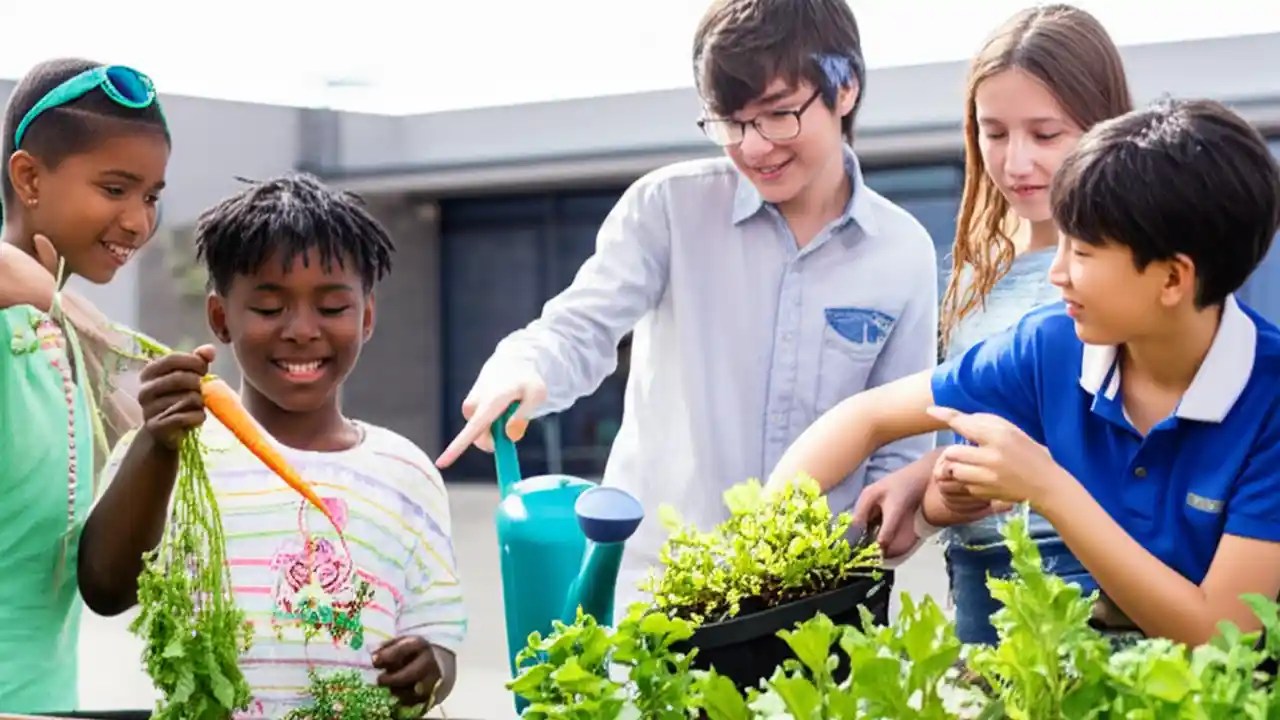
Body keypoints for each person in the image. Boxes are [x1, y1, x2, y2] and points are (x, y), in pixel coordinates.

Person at [435, 0, 938, 612]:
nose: (754, 147)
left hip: (818, 600)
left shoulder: (903, 250)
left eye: (778, 115)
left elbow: (902, 444)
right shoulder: (668, 208)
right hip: (657, 592)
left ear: (846, 88)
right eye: (730, 122)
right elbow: (578, 327)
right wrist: (524, 367)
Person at [768, 96, 1280, 646]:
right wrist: (757, 555)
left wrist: (1048, 487)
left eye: (1082, 254)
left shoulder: (1268, 402)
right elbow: (867, 418)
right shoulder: (1051, 344)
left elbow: (1218, 632)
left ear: (1174, 280)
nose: (1056, 274)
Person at [76, 174, 466, 717]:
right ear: (221, 319)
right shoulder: (175, 449)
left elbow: (439, 638)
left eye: (331, 309)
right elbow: (105, 587)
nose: (302, 330)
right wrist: (157, 445)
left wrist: (429, 670)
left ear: (367, 317)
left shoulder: (406, 472)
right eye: (268, 308)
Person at [848, 4, 1133, 645]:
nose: (1015, 162)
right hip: (976, 591)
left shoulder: (1127, 268)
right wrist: (925, 486)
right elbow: (987, 418)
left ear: (1101, 125)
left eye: (1045, 133)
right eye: (994, 133)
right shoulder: (977, 271)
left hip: (1093, 602)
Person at [0, 57, 169, 713]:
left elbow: (102, 584)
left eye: (151, 195)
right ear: (29, 176)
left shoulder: (65, 339)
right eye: (115, 188)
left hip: (46, 702)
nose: (137, 221)